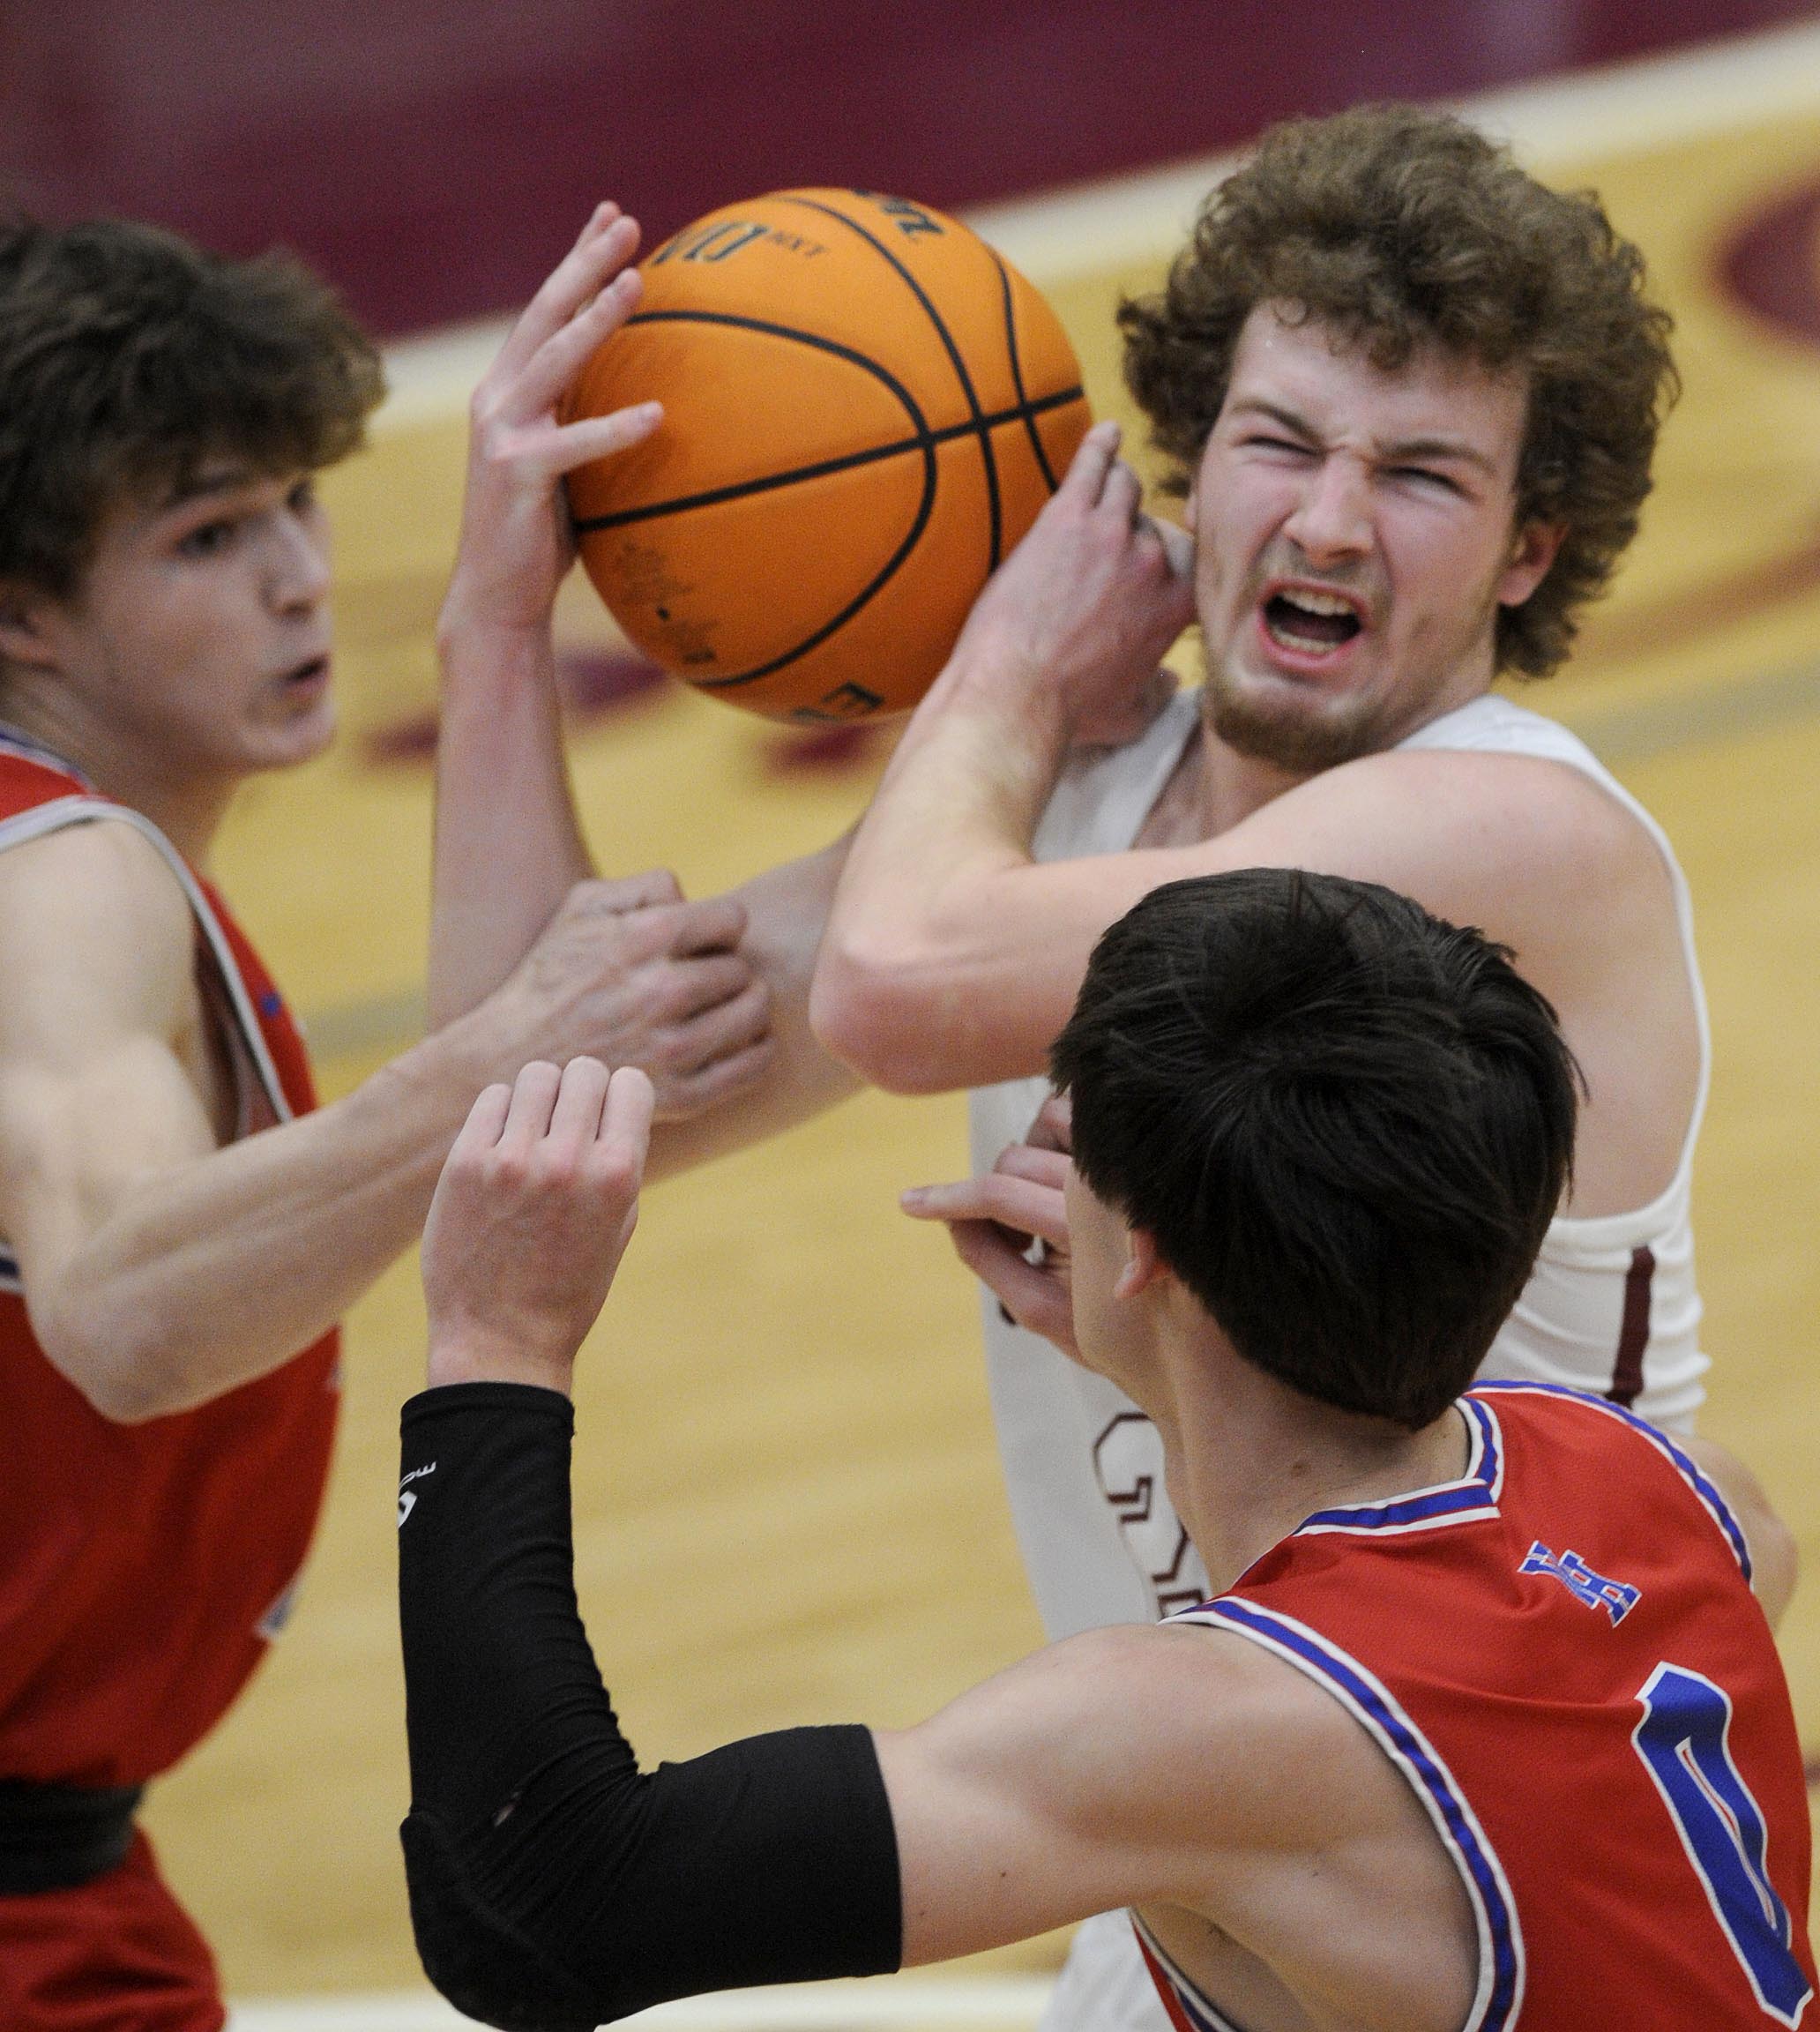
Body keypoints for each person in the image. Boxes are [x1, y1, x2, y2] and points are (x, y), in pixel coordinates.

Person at [432, 110, 1704, 2031]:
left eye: (1423, 474)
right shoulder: (1070, 826)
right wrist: (501, 620)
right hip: (1199, 1832)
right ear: (1190, 476)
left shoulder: (1515, 838)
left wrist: (1002, 676)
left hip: (1474, 1849)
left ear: (1532, 549)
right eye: (1281, 444)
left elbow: (894, 987)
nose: (1332, 521)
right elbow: (534, 1077)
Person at [398, 869, 1810, 2032]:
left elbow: (551, 1906)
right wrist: (1176, 1325)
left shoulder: (1201, 1737)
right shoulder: (1684, 1491)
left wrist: (498, 1344)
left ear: (1140, 1253)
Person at [0, 214, 777, 2032]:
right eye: (207, 537)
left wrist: (492, 617)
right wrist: (509, 1041)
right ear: (20, 612)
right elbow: (120, 1312)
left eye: (293, 507)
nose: (292, 580)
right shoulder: (62, 876)